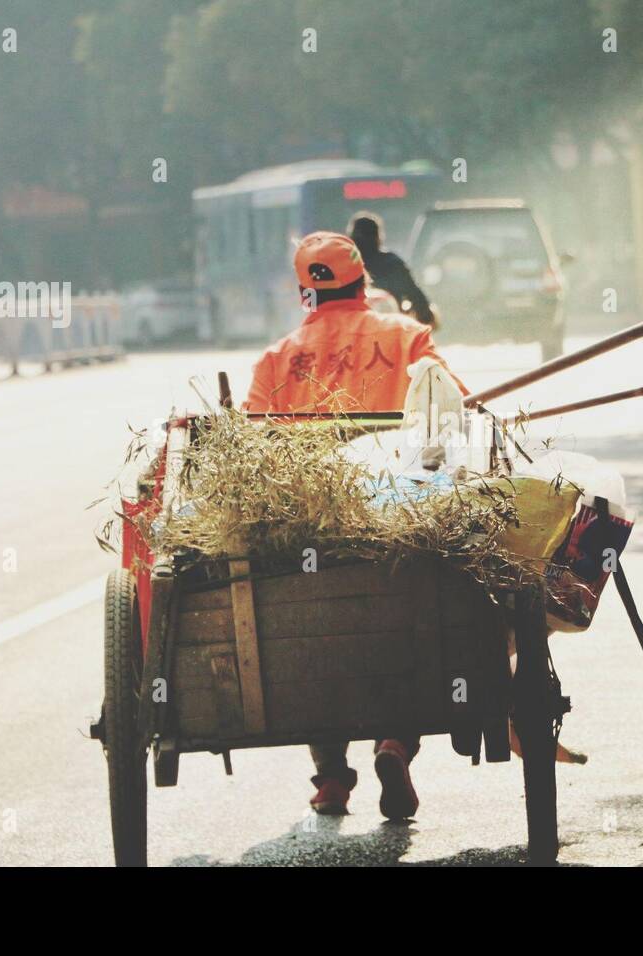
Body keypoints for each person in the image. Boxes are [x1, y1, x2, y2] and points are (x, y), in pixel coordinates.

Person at [244, 230, 467, 819]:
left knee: (309, 623)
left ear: (304, 293)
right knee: (410, 610)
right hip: (401, 520)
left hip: (307, 534)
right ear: (363, 280)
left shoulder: (276, 359)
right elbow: (453, 412)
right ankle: (395, 742)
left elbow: (251, 449)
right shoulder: (410, 338)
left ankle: (332, 777)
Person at [347, 211, 437, 327]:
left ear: (351, 237)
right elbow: (415, 295)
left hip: (349, 332)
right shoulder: (392, 263)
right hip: (389, 330)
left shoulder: (341, 263)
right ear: (378, 237)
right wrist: (427, 317)